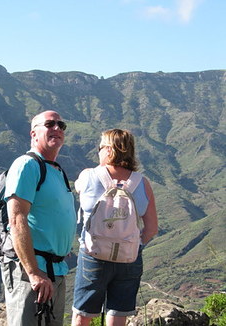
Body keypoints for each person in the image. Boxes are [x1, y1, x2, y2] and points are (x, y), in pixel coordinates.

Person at [72, 128, 158, 326]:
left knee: (82, 315)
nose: (99, 151)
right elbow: (152, 228)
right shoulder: (143, 183)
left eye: (101, 147)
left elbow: (78, 187)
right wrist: (134, 245)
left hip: (93, 255)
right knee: (118, 315)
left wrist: (101, 168)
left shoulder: (88, 176)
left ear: (109, 150)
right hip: (129, 257)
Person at [0, 110, 77, 326]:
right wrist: (34, 273)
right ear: (33, 134)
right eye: (50, 124)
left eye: (61, 125)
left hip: (56, 269)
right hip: (32, 270)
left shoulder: (56, 170)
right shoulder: (27, 165)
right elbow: (16, 219)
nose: (57, 129)